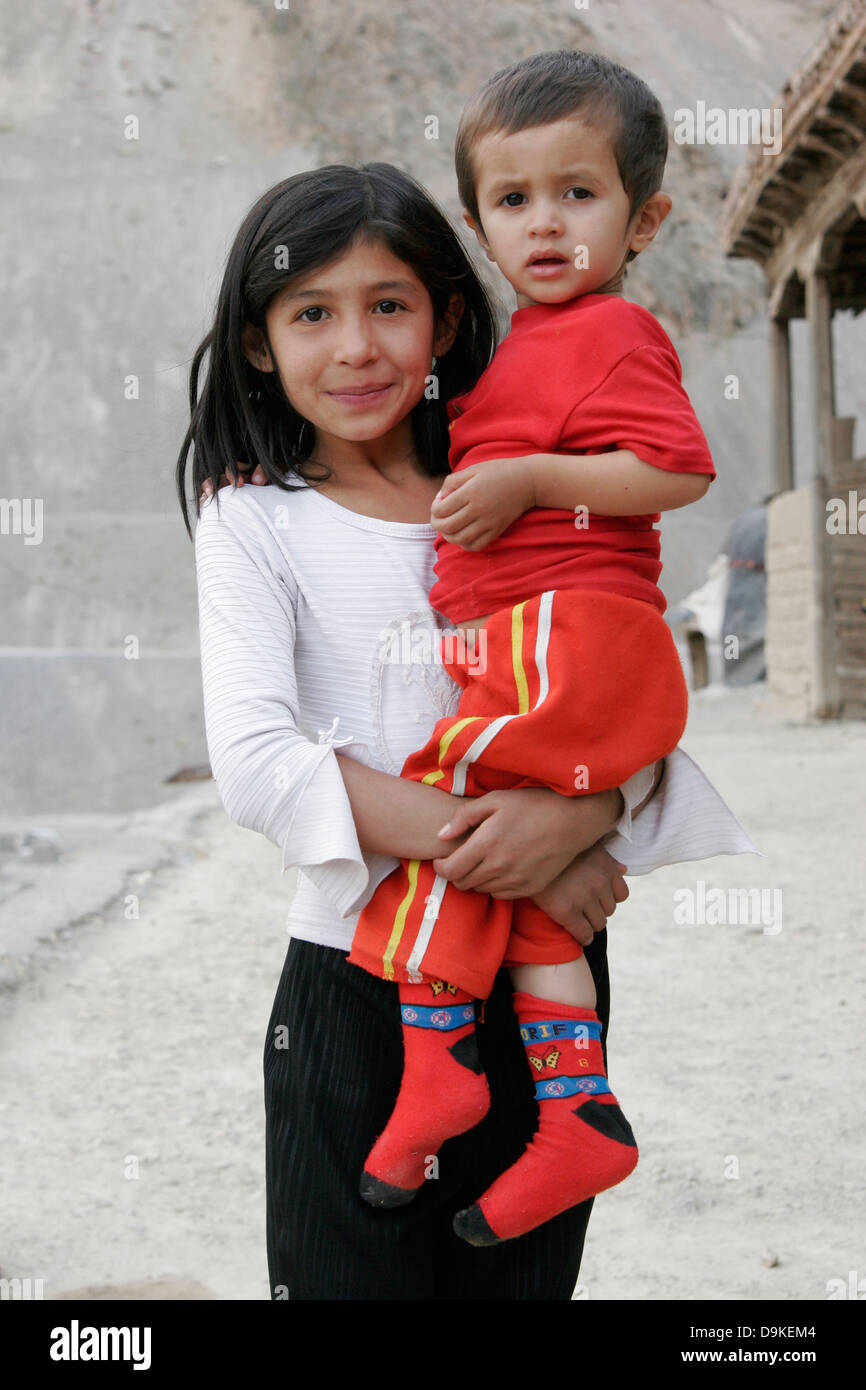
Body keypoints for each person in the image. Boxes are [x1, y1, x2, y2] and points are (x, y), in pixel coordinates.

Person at [181, 162, 756, 1300]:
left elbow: (617, 687)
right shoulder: (252, 518)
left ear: (445, 319)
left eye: (388, 305)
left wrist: (585, 808)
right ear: (258, 343)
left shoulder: (519, 494)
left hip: (542, 994)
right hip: (353, 981)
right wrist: (515, 845)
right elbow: (258, 764)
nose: (355, 347)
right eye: (311, 314)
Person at [347, 50, 725, 1248]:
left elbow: (675, 469)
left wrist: (525, 481)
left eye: (578, 193)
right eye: (513, 202)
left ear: (643, 217)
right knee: (533, 898)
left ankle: (438, 1061)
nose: (544, 223)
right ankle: (577, 1111)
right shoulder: (525, 344)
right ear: (476, 226)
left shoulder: (614, 332)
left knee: (444, 801)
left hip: (572, 632)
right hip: (531, 645)